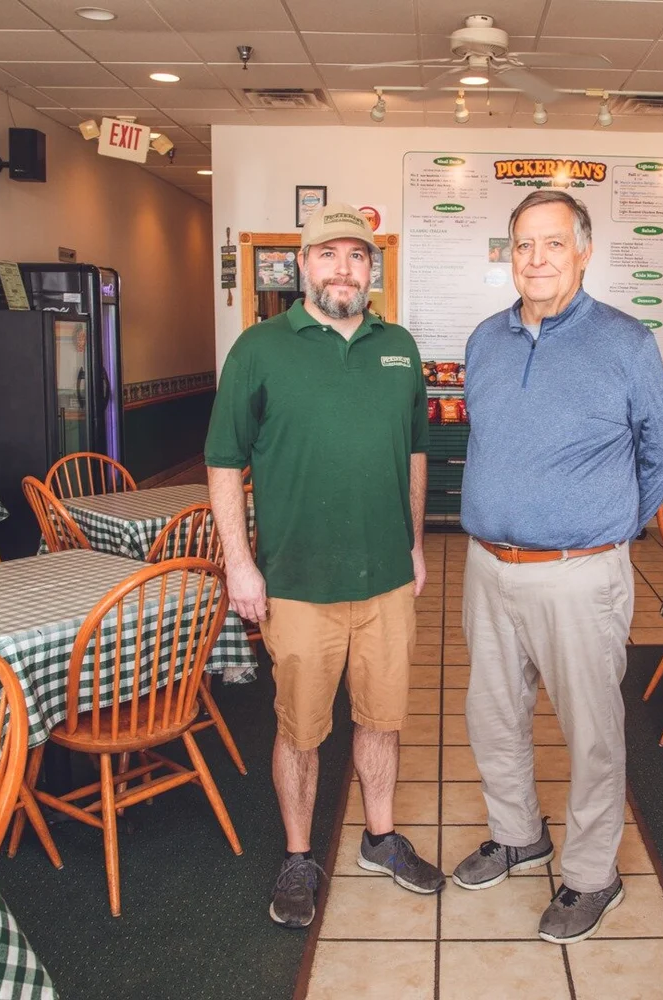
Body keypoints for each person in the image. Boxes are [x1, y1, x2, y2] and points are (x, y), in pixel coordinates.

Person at [205, 201, 444, 929]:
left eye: (358, 257)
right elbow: (222, 463)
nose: (344, 268)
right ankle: (300, 855)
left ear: (372, 271)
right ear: (301, 266)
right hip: (299, 585)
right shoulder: (259, 348)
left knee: (381, 720)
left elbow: (413, 454)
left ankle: (379, 837)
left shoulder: (398, 346)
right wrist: (239, 564)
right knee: (301, 730)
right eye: (329, 254)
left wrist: (413, 545)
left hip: (386, 584)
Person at [453, 189, 663, 943]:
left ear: (584, 251)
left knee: (590, 732)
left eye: (553, 244)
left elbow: (662, 456)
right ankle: (519, 835)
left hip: (581, 573)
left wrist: (606, 532)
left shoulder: (626, 343)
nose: (537, 259)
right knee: (493, 716)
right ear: (508, 255)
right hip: (487, 566)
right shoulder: (485, 341)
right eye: (523, 245)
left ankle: (592, 876)